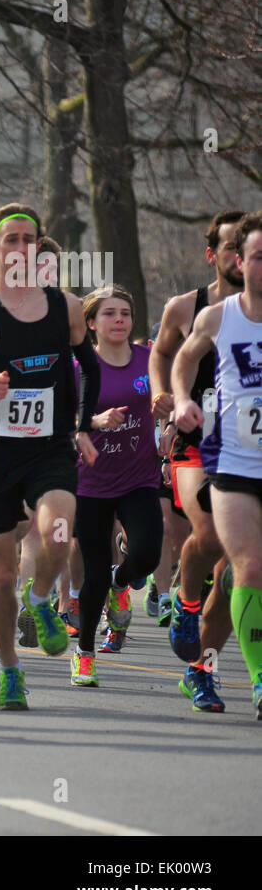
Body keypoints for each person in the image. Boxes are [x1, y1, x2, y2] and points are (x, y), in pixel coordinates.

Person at [0, 203, 100, 711]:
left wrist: (79, 427)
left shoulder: (66, 307)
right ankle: (11, 670)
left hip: (48, 449)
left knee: (59, 531)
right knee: (2, 571)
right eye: (10, 240)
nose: (20, 248)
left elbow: (90, 369)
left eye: (29, 240)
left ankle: (41, 602)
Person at [172, 210, 262, 719]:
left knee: (236, 578)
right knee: (244, 564)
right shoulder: (216, 315)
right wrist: (180, 397)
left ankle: (201, 666)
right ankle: (258, 677)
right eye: (257, 256)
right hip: (231, 462)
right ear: (238, 261)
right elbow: (181, 358)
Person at [151, 210, 245, 673]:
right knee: (207, 537)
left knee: (236, 573)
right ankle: (187, 603)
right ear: (214, 255)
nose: (242, 256)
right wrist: (166, 394)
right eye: (232, 247)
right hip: (197, 441)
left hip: (249, 448)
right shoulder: (189, 309)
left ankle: (202, 671)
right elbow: (164, 354)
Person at [69, 286, 161, 686]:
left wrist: (169, 408)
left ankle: (121, 584)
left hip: (139, 476)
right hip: (90, 481)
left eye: (125, 313)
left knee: (146, 556)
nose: (119, 320)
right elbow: (61, 420)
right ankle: (85, 653)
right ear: (91, 323)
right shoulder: (77, 368)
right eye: (109, 314)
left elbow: (167, 391)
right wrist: (94, 421)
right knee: (93, 576)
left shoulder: (149, 359)